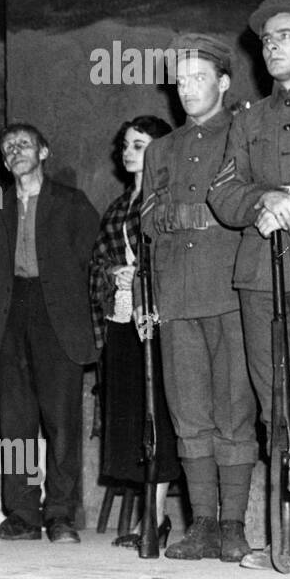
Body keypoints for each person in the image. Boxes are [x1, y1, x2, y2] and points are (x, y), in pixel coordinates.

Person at [208, 0, 290, 571]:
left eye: (286, 37)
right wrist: (264, 201)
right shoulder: (247, 119)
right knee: (276, 407)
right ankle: (284, 541)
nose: (272, 47)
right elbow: (223, 191)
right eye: (267, 41)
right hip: (260, 278)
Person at [142, 36, 257, 562]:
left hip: (232, 291)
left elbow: (246, 203)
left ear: (224, 83)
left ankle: (233, 525)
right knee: (189, 416)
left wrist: (188, 214)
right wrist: (171, 215)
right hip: (177, 295)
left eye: (199, 78)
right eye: (181, 81)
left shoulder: (244, 131)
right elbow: (147, 219)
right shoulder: (161, 149)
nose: (187, 89)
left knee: (234, 412)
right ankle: (203, 525)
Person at [0, 124, 100, 543]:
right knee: (14, 422)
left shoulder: (71, 201)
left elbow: (94, 263)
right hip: (11, 315)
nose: (15, 151)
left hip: (57, 318)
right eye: (8, 147)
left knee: (61, 423)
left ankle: (61, 515)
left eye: (24, 144)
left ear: (43, 151)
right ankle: (22, 516)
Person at [88, 115, 178, 549]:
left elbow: (178, 261)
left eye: (138, 144)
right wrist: (115, 273)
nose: (127, 152)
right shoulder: (119, 205)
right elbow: (99, 262)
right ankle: (149, 514)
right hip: (124, 321)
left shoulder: (170, 200)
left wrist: (142, 274)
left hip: (162, 323)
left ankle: (155, 519)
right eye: (125, 144)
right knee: (133, 415)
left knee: (159, 414)